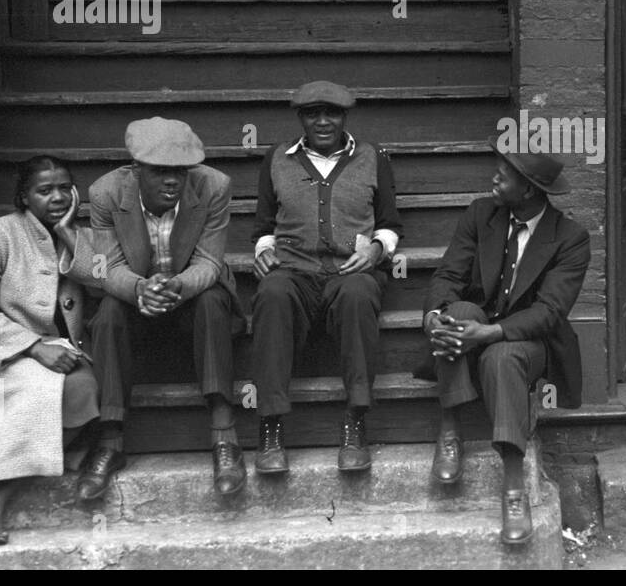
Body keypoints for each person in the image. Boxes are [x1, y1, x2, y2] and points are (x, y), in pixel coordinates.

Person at [422, 141, 590, 545]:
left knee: (502, 356)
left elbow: (549, 312)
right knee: (457, 314)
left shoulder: (570, 238)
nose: (494, 178)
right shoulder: (482, 215)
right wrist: (434, 315)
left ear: (529, 189)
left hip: (530, 343)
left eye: (504, 173)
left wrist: (493, 333)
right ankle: (450, 428)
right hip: (475, 326)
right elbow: (448, 275)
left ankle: (513, 490)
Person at [0, 156, 101, 550]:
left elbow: (103, 283)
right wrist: (32, 346)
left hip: (60, 353)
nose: (57, 197)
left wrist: (67, 235)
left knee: (83, 393)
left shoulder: (84, 239)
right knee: (37, 395)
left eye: (65, 188)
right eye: (45, 191)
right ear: (24, 197)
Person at [84, 118, 241, 499]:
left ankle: (225, 436)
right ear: (137, 169)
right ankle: (110, 441)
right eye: (160, 172)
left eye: (180, 171)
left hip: (190, 296)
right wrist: (140, 290)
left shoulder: (214, 186)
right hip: (136, 300)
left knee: (213, 301)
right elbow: (107, 267)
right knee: (107, 313)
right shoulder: (105, 193)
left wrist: (177, 286)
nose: (172, 180)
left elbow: (209, 262)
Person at [250, 81, 402, 474]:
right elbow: (264, 226)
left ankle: (355, 420)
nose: (322, 121)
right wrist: (264, 251)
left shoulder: (372, 157)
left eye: (331, 113)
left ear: (344, 116)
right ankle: (272, 425)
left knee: (357, 295)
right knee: (271, 294)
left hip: (350, 270)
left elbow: (389, 224)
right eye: (312, 114)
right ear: (300, 118)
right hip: (295, 271)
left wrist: (375, 251)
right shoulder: (277, 159)